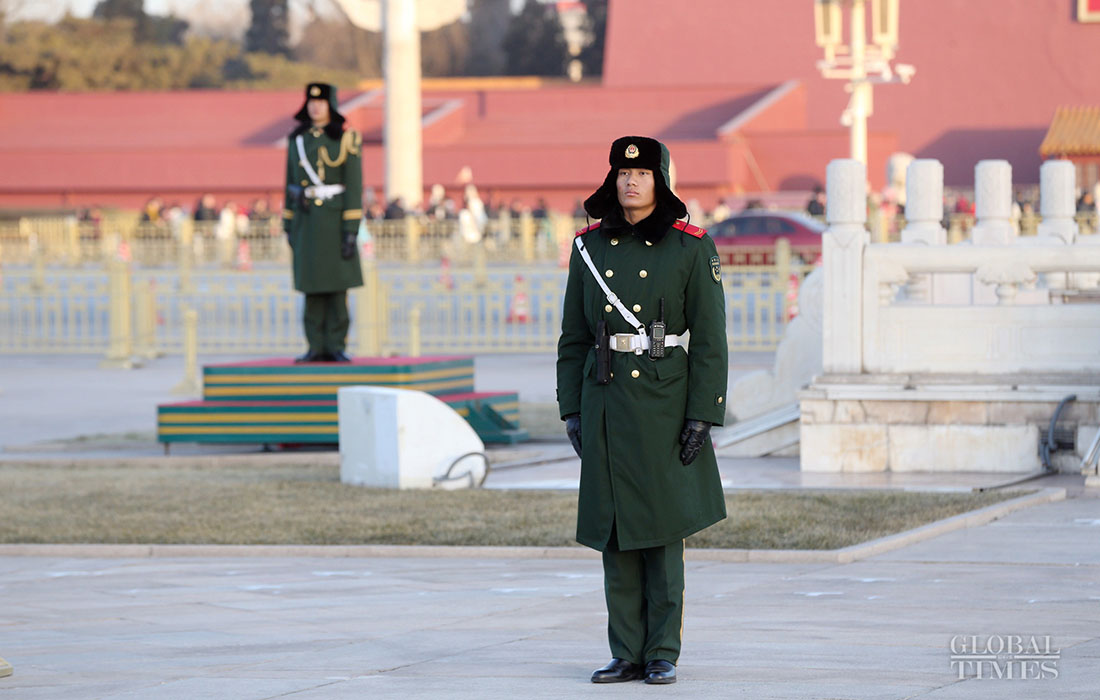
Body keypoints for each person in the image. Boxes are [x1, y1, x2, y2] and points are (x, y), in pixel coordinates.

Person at [556, 136, 728, 686]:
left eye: (643, 173)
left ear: (661, 179)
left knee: (661, 530)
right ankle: (625, 650)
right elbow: (574, 338)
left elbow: (709, 342)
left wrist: (702, 414)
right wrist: (572, 410)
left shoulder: (691, 247)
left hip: (663, 402)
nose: (630, 182)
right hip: (606, 401)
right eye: (622, 173)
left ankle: (662, 651)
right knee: (614, 532)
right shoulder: (589, 247)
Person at [283, 82, 364, 363]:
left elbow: (353, 186)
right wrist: (288, 223)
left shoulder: (345, 139)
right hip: (306, 222)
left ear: (331, 105)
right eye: (311, 102)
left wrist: (351, 230)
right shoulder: (297, 140)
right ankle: (315, 346)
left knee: (336, 289)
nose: (315, 107)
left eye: (321, 102)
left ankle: (336, 344)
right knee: (312, 288)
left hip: (334, 221)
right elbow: (289, 182)